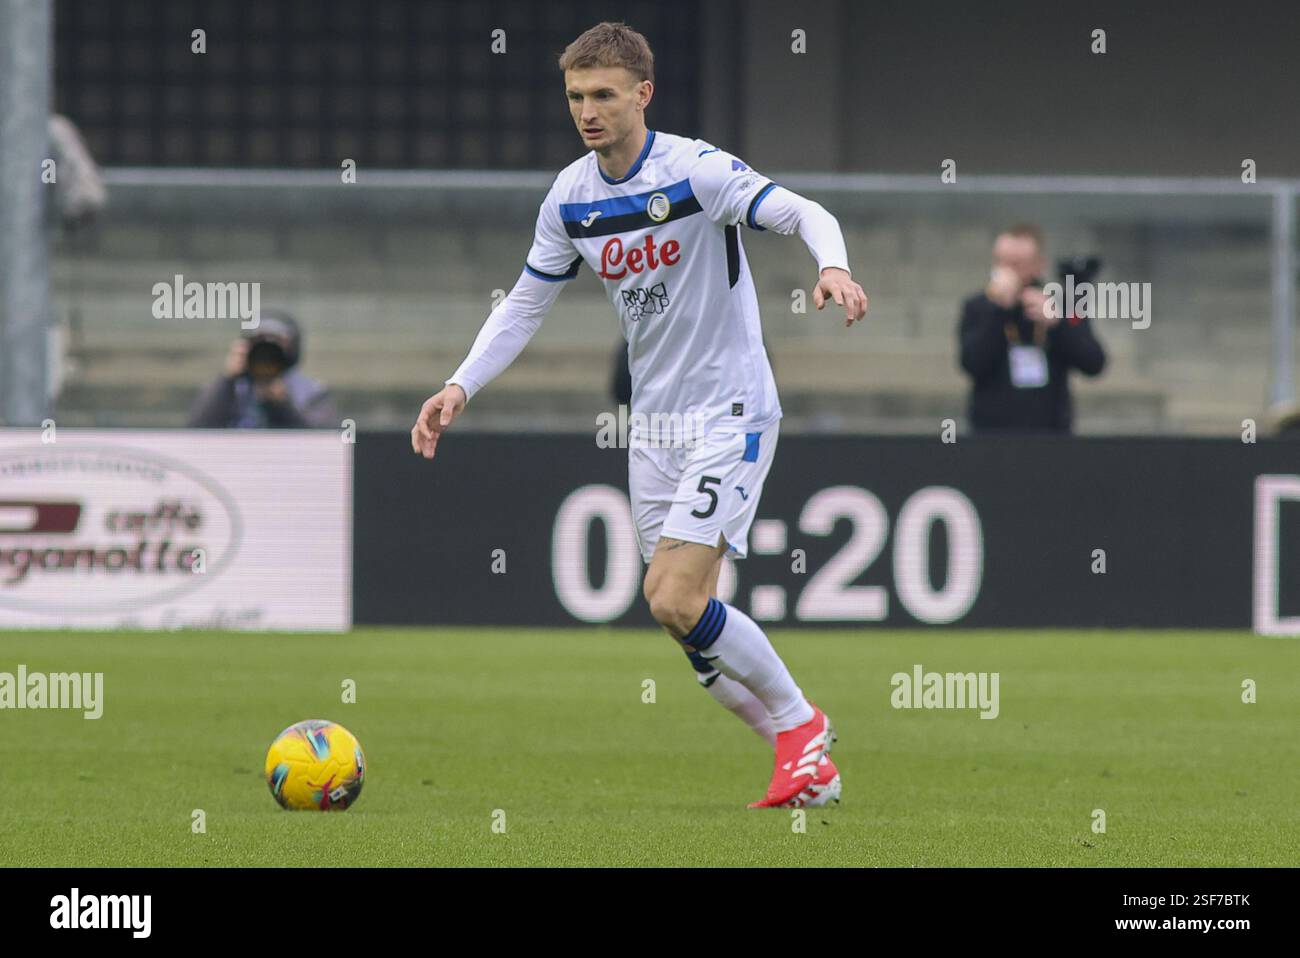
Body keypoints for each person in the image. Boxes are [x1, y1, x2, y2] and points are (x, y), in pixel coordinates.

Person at [411, 21, 867, 809]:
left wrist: (833, 266)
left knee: (675, 596)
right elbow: (524, 304)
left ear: (642, 94)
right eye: (576, 97)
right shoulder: (572, 198)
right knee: (681, 624)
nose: (587, 111)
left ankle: (801, 723)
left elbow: (802, 212)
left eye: (603, 95)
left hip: (732, 410)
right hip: (652, 425)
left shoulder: (694, 171)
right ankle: (807, 769)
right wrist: (460, 385)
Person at [958, 224, 1106, 433]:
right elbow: (971, 363)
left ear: (1038, 265)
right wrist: (1000, 311)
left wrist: (1058, 324)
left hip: (1049, 434)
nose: (1007, 272)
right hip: (991, 436)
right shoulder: (979, 306)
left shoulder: (1061, 306)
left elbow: (1093, 363)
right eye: (1001, 263)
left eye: (1016, 264)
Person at [189, 310, 337, 428]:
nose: (266, 353)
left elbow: (321, 441)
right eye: (259, 343)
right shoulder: (229, 389)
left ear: (293, 347)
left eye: (276, 344)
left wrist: (282, 406)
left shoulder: (310, 391)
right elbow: (196, 429)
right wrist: (227, 380)